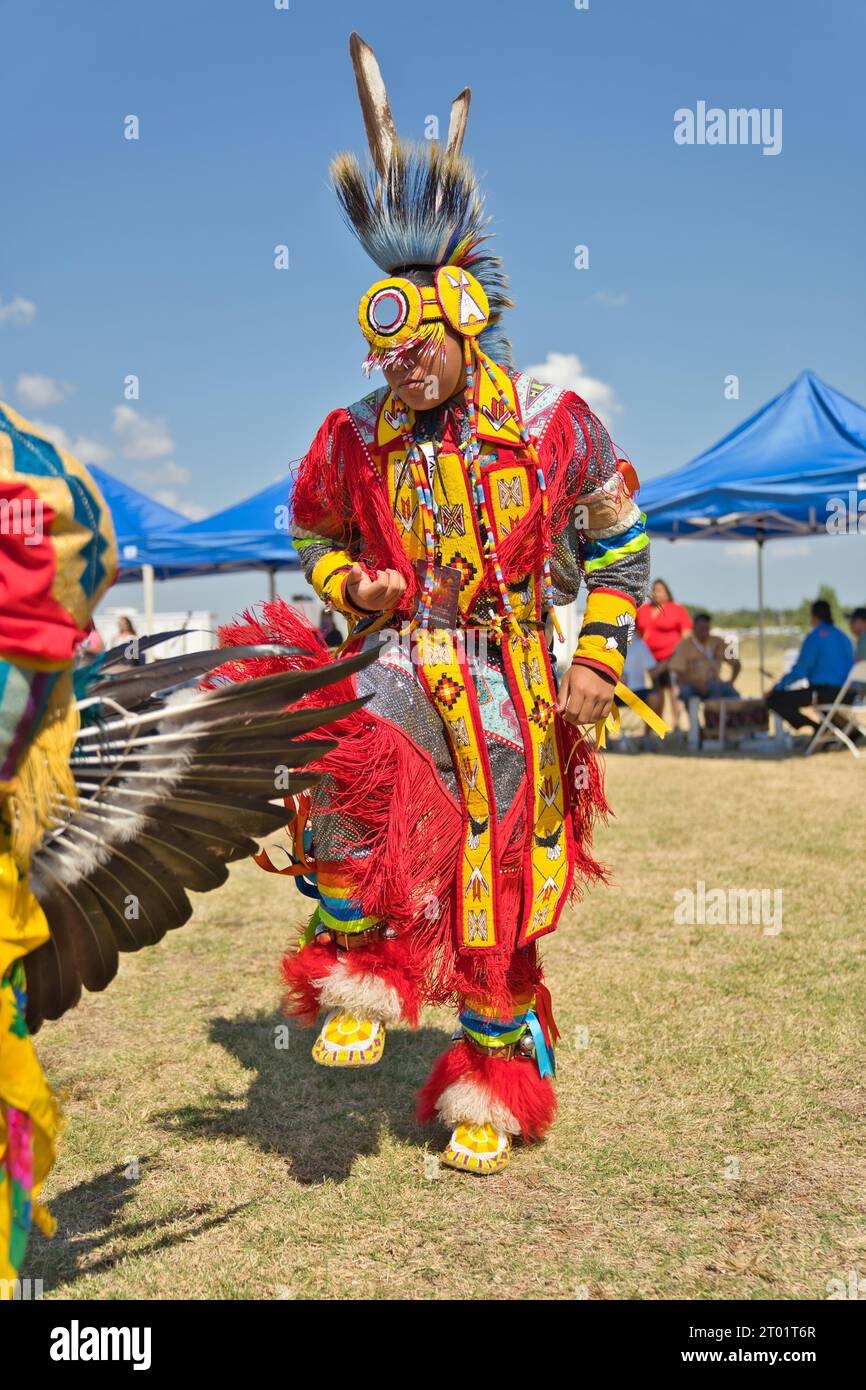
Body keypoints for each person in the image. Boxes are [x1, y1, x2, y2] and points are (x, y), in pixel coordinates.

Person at [224, 33, 654, 1175]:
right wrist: (349, 582)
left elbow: (618, 547)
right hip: (403, 666)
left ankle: (490, 1083)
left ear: (464, 318)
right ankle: (356, 964)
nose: (397, 365)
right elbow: (310, 532)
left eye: (417, 343)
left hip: (512, 686)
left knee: (497, 893)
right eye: (382, 346)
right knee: (329, 753)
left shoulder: (552, 426)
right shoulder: (353, 439)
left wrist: (600, 662)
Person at [766, 599, 854, 732]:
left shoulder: (816, 636)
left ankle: (819, 729)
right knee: (822, 703)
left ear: (813, 616)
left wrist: (778, 687)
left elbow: (801, 670)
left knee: (775, 700)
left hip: (826, 693)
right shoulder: (843, 636)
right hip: (849, 693)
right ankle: (850, 734)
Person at [667, 612, 741, 702]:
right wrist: (694, 683)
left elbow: (736, 664)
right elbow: (677, 672)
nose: (704, 632)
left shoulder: (717, 642)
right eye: (701, 629)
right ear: (694, 628)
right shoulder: (684, 645)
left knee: (731, 694)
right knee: (687, 692)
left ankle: (718, 714)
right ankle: (694, 715)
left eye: (707, 629)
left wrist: (730, 682)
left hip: (714, 684)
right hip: (691, 685)